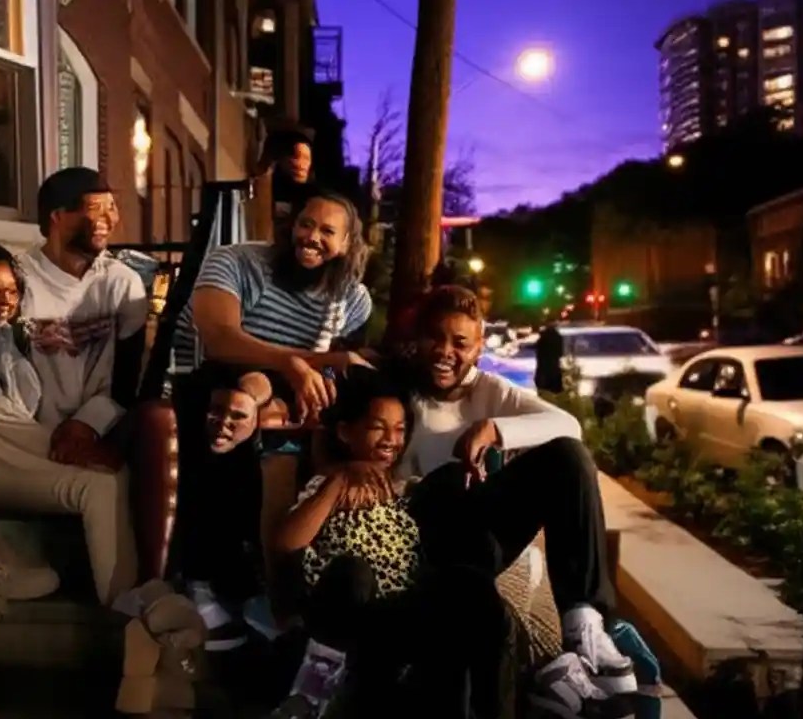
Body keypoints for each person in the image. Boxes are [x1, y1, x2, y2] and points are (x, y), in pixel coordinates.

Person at [0, 169, 145, 710]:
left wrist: (89, 423)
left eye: (112, 208)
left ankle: (126, 623)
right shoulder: (14, 277)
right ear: (58, 217)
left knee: (107, 483)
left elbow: (130, 380)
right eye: (95, 208)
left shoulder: (121, 284)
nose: (109, 219)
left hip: (52, 448)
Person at [392, 286, 638, 711]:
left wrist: (493, 429)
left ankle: (582, 619)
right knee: (453, 480)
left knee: (568, 455)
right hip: (418, 533)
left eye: (460, 343)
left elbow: (567, 424)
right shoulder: (398, 389)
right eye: (435, 337)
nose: (444, 351)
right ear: (418, 338)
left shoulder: (491, 391)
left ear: (479, 346)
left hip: (479, 538)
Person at [170, 187, 373, 649]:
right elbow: (220, 338)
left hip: (283, 390)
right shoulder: (237, 261)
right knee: (227, 397)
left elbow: (338, 366)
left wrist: (303, 379)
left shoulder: (352, 299)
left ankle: (283, 589)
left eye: (327, 231)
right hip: (208, 374)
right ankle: (200, 578)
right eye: (306, 224)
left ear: (346, 244)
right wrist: (299, 364)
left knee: (329, 405)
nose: (311, 237)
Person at [270, 370, 510, 718]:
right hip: (345, 613)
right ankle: (313, 694)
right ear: (345, 433)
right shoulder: (330, 483)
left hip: (394, 618)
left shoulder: (405, 490)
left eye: (399, 429)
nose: (390, 439)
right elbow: (286, 542)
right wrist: (338, 482)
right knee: (353, 570)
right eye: (378, 427)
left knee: (472, 586)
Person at [536, 321, 565, 394]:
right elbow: (560, 352)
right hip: (553, 367)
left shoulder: (543, 338)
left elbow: (539, 351)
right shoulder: (558, 337)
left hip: (543, 368)